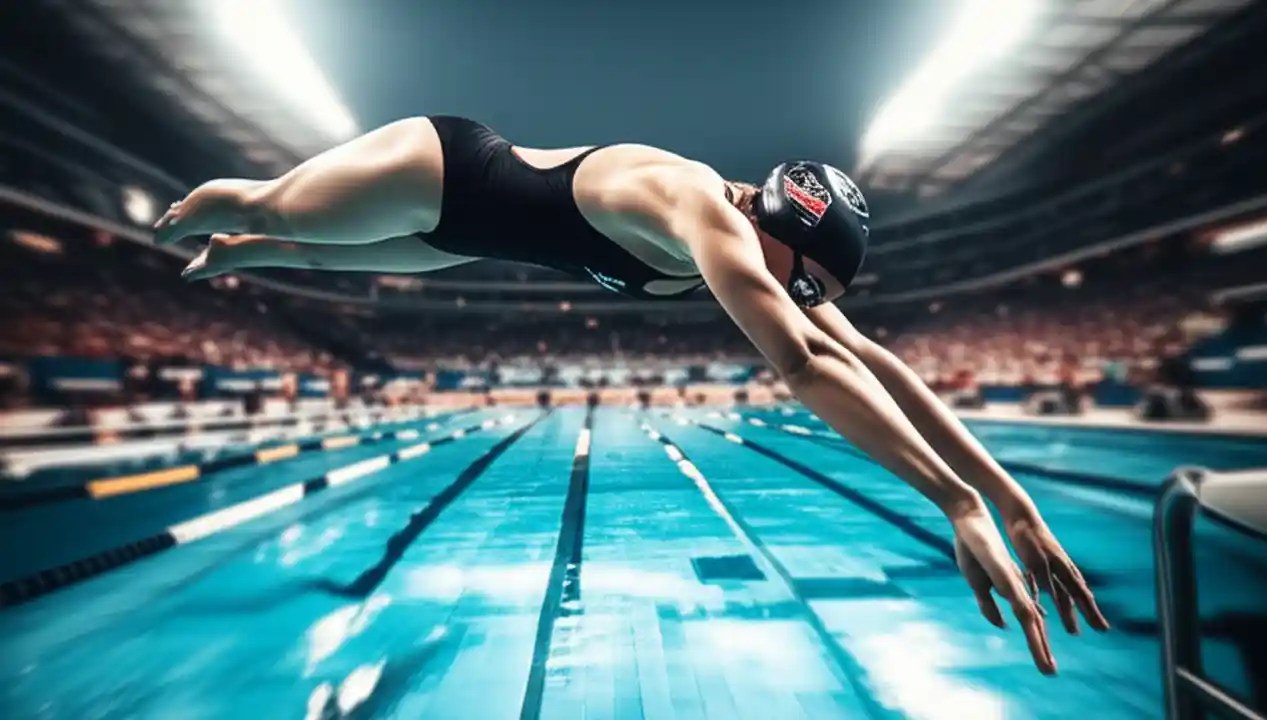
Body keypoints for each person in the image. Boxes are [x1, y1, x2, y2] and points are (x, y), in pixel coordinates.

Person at [157, 115, 1107, 674]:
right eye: (801, 283)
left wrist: (1012, 503)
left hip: (460, 236)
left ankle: (245, 248)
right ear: (772, 232)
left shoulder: (772, 249)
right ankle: (178, 211)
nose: (802, 303)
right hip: (437, 169)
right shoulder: (708, 215)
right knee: (258, 206)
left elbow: (878, 363)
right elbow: (809, 368)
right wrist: (953, 499)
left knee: (282, 249)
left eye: (811, 295)